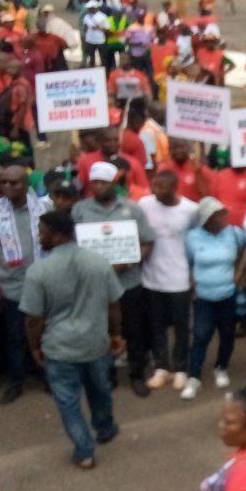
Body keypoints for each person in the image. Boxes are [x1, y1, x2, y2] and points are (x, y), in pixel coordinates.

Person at [20, 211, 123, 470]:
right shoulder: (100, 263)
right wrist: (115, 335)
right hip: (96, 343)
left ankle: (85, 451)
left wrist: (34, 346)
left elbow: (34, 318)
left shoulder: (38, 271)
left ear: (57, 234)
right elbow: (113, 306)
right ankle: (105, 428)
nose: (39, 236)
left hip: (59, 348)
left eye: (42, 231)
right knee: (100, 391)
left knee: (68, 402)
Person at [73, 162, 157, 397]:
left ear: (114, 183)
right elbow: (72, 244)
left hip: (127, 281)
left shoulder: (132, 208)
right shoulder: (80, 210)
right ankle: (106, 376)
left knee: (134, 329)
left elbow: (148, 241)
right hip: (94, 284)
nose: (98, 187)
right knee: (100, 330)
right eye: (94, 182)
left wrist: (129, 260)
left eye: (103, 182)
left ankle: (137, 374)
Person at [0, 161, 51, 405]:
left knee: (44, 331)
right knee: (14, 335)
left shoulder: (44, 207)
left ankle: (46, 376)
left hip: (44, 282)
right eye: (4, 182)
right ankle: (17, 381)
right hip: (12, 284)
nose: (8, 186)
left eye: (14, 182)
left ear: (27, 184)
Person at [180, 198, 246, 399]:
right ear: (207, 219)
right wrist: (193, 284)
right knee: (201, 335)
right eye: (218, 214)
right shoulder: (192, 237)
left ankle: (221, 367)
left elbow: (245, 252)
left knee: (227, 333)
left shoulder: (235, 233)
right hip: (203, 297)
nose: (223, 217)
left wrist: (239, 274)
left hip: (228, 294)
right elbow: (190, 262)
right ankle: (194, 377)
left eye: (223, 212)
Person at [138, 168, 196, 392]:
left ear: (175, 188)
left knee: (182, 326)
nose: (156, 191)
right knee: (156, 324)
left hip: (179, 276)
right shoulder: (145, 204)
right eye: (154, 186)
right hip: (151, 276)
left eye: (162, 187)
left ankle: (181, 368)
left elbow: (197, 239)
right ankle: (162, 367)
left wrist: (194, 271)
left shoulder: (190, 209)